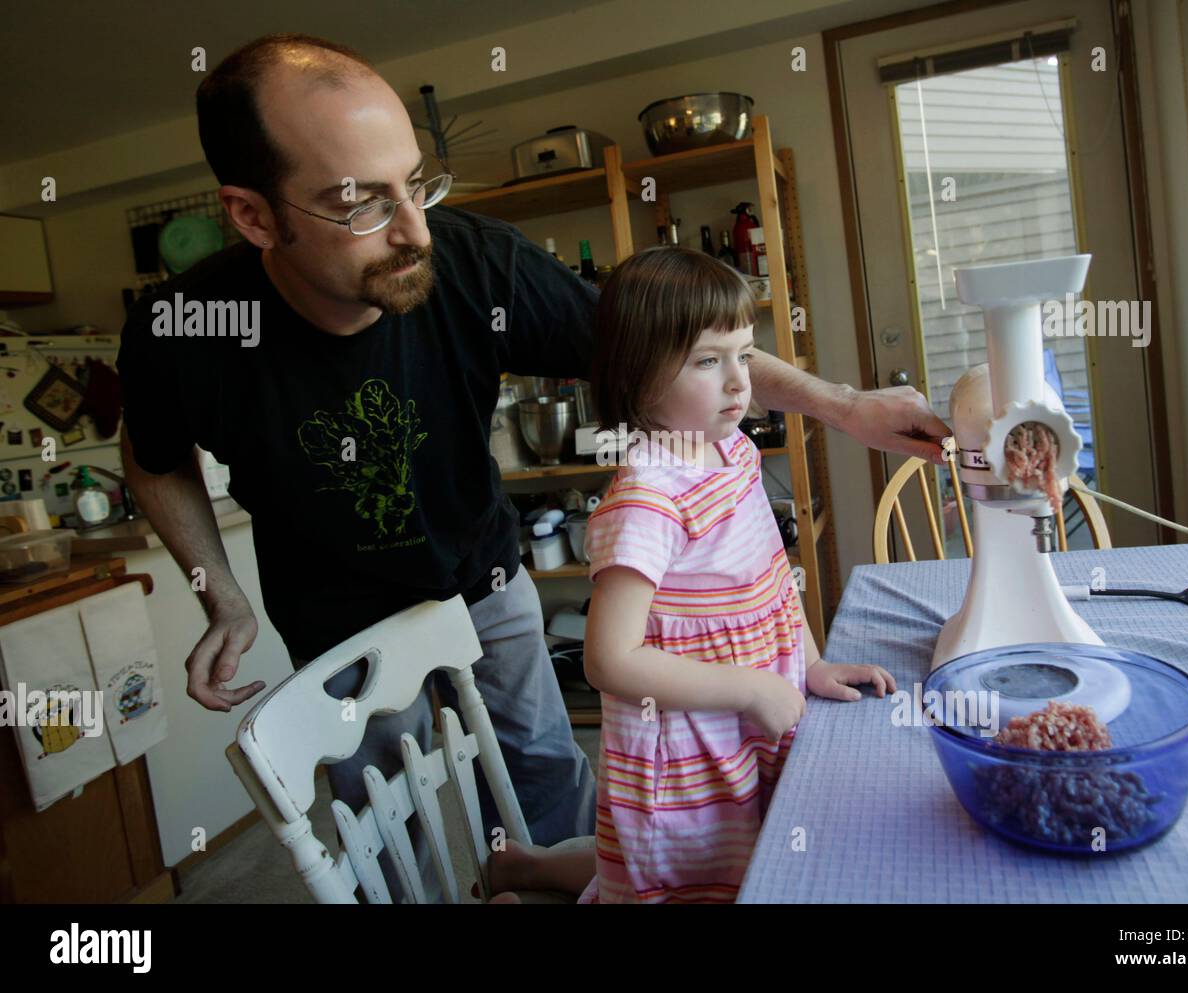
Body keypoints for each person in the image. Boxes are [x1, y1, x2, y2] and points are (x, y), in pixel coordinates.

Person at [116, 33, 948, 903]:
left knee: (553, 791)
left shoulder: (471, 260)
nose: (412, 232)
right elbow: (154, 460)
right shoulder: (187, 330)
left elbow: (668, 351)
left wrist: (845, 405)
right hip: (333, 626)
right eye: (360, 204)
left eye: (416, 184)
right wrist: (222, 595)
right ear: (253, 215)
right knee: (385, 845)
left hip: (487, 581)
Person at [480, 247, 899, 904]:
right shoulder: (648, 498)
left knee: (722, 862)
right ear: (636, 375)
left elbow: (770, 585)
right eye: (708, 360)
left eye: (744, 353)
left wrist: (809, 665)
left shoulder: (731, 449)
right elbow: (608, 659)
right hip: (687, 752)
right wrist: (750, 689)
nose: (739, 380)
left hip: (742, 718)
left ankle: (525, 868)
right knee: (672, 880)